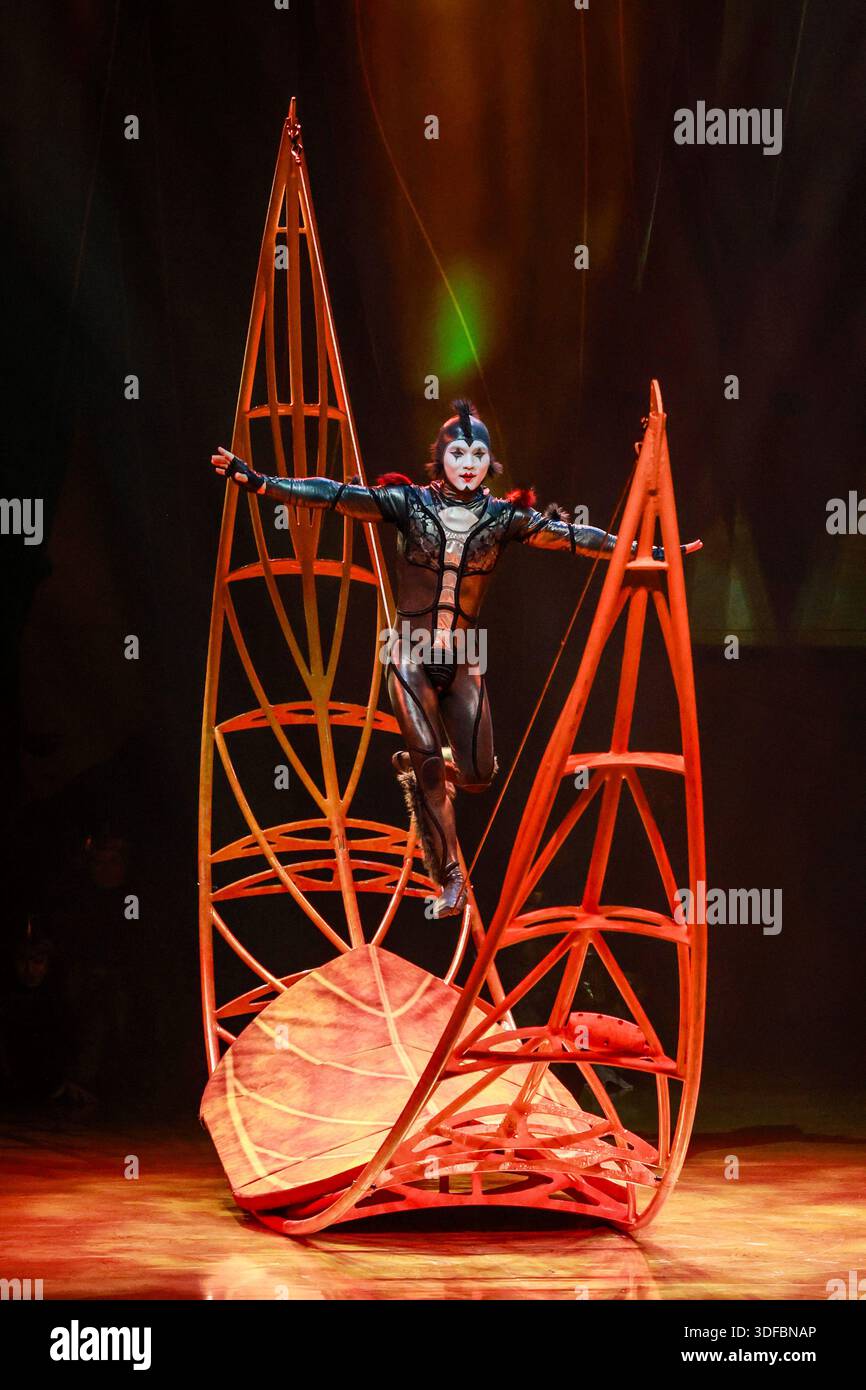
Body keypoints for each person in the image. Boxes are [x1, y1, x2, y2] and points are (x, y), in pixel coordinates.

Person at [211, 400, 699, 918]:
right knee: (426, 771)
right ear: (441, 456)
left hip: (463, 660)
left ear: (490, 463)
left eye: (480, 453)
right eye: (459, 451)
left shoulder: (503, 518)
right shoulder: (408, 503)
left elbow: (575, 538)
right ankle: (450, 878)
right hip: (408, 655)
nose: (469, 462)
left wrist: (652, 552)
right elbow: (335, 495)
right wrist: (261, 482)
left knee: (479, 774)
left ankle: (433, 763)